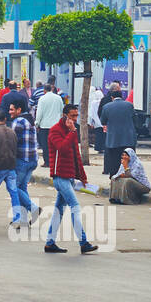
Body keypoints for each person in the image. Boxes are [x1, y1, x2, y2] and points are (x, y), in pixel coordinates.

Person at [44, 104, 98, 254]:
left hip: (69, 177)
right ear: (65, 115)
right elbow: (61, 148)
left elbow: (76, 156)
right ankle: (83, 242)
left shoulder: (72, 131)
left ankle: (50, 242)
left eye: (76, 116)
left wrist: (83, 177)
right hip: (59, 176)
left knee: (59, 211)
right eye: (72, 116)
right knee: (75, 206)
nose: (75, 119)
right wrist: (71, 132)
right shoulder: (55, 130)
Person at [101, 88, 136, 177]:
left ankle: (114, 176)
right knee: (128, 159)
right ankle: (127, 176)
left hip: (113, 139)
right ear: (122, 96)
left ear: (112, 97)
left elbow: (103, 121)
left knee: (114, 160)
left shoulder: (106, 107)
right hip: (128, 138)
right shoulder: (129, 105)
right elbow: (134, 118)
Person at [34, 81, 63, 167]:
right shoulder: (58, 98)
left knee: (45, 145)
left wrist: (37, 123)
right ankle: (56, 161)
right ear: (52, 89)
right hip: (56, 125)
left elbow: (39, 113)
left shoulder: (42, 99)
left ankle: (47, 162)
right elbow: (62, 111)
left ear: (44, 90)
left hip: (44, 125)